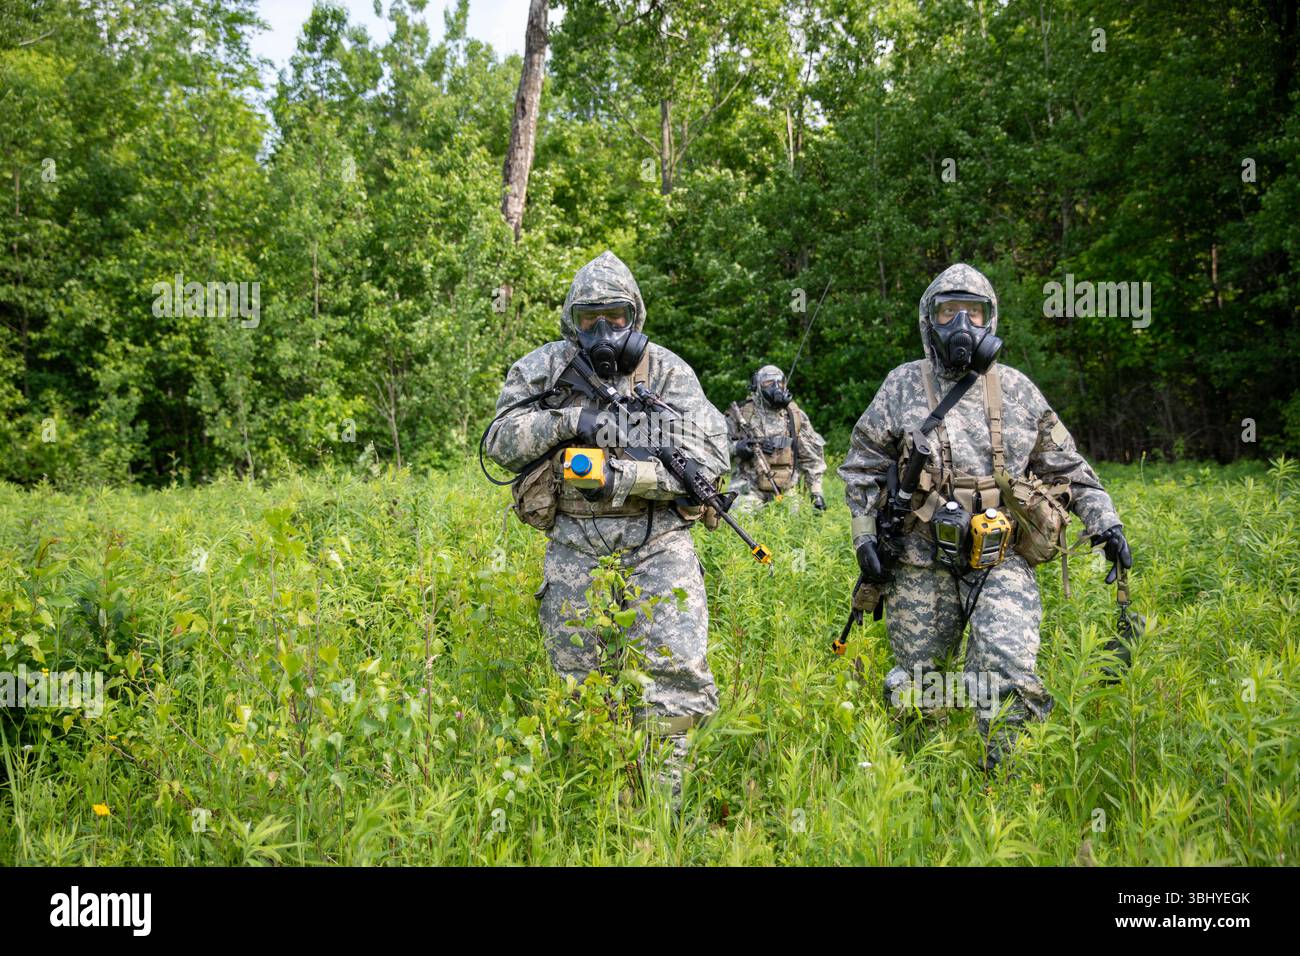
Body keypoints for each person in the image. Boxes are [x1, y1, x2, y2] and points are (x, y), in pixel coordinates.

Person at [838, 262, 1133, 770]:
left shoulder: (1017, 390)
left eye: (973, 313)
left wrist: (1106, 523)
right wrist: (865, 538)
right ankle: (917, 786)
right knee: (919, 685)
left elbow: (1069, 467)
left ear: (990, 320)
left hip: (999, 555)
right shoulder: (902, 385)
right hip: (919, 557)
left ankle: (1007, 785)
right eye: (947, 311)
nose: (961, 326)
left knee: (1010, 667)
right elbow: (862, 465)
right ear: (929, 320)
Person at [484, 250, 730, 800]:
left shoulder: (667, 370)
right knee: (580, 685)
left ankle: (667, 803)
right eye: (590, 317)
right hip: (574, 547)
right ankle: (599, 804)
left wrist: (625, 476)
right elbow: (499, 443)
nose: (603, 330)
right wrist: (571, 420)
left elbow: (709, 461)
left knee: (676, 679)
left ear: (634, 316)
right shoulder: (543, 369)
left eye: (615, 317)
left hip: (660, 547)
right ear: (572, 318)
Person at [724, 364, 827, 512]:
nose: (776, 387)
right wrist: (737, 448)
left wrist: (816, 492)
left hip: (786, 489)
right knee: (742, 518)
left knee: (795, 523)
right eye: (768, 383)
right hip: (747, 488)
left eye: (780, 382)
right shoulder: (740, 414)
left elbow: (812, 458)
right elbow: (717, 449)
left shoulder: (795, 416)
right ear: (757, 386)